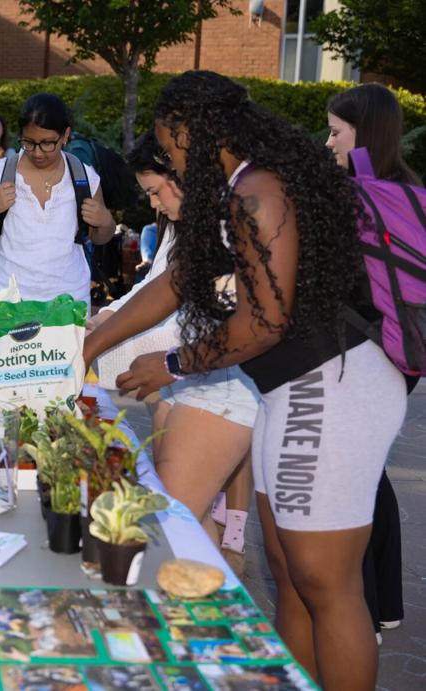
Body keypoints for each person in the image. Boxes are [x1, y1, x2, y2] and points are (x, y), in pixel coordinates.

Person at [85, 71, 406, 689]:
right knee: (288, 569)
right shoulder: (236, 190)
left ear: (194, 132)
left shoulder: (259, 191)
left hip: (332, 385)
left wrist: (171, 365)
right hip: (293, 390)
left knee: (325, 581)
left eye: (172, 147)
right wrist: (95, 341)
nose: (173, 161)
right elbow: (176, 282)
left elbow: (266, 322)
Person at [88, 133, 257, 571]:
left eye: (156, 191)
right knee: (190, 529)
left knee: (167, 531)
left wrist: (170, 363)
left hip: (224, 387)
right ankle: (212, 621)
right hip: (197, 380)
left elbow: (247, 326)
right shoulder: (204, 223)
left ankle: (215, 623)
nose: (156, 205)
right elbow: (164, 289)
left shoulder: (233, 217)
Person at [326, 82, 421, 638]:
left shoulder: (357, 194)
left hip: (367, 350)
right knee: (371, 471)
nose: (328, 142)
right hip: (405, 350)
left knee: (356, 476)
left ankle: (358, 600)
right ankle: (380, 602)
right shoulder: (408, 189)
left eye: (336, 131)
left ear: (363, 134)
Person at [0, 93, 116, 304]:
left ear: (65, 135)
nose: (38, 152)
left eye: (47, 143)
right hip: (7, 299)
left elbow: (100, 237)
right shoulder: (0, 173)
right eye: (29, 143)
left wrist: (105, 221)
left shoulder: (83, 176)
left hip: (68, 302)